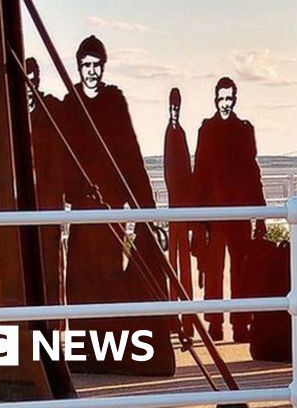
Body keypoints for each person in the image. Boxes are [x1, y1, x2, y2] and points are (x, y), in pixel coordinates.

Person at [60, 35, 174, 375]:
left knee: (107, 276)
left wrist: (146, 208)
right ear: (78, 67)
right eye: (85, 66)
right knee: (79, 279)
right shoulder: (70, 104)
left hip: (109, 206)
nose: (91, 71)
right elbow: (63, 156)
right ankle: (84, 351)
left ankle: (108, 349)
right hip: (84, 206)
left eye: (96, 65)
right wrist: (72, 190)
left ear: (103, 67)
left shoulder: (114, 102)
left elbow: (130, 153)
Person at [191, 76, 266, 342]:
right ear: (216, 99)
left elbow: (252, 170)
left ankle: (240, 322)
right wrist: (197, 218)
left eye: (229, 98)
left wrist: (260, 213)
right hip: (213, 212)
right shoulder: (206, 130)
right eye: (221, 98)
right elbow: (199, 171)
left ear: (235, 99)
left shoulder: (244, 129)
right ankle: (215, 321)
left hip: (239, 211)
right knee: (213, 270)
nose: (225, 103)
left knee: (240, 270)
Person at [25, 57, 67, 313]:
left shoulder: (50, 109)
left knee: (51, 264)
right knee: (25, 263)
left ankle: (54, 323)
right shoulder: (8, 112)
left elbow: (59, 156)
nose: (28, 83)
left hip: (48, 202)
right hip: (20, 205)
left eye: (31, 78)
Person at [163, 87, 200, 335]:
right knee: (174, 266)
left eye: (177, 107)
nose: (175, 111)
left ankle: (185, 321)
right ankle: (177, 320)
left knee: (182, 267)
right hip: (175, 209)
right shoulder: (172, 133)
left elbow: (182, 172)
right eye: (172, 107)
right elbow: (172, 171)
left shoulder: (179, 133)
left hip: (181, 209)